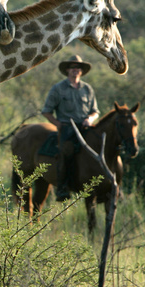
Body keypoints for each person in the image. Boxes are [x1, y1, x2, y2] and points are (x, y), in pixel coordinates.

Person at [42, 55, 99, 201]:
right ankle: (62, 188)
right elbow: (47, 111)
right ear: (67, 70)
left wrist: (90, 119)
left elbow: (95, 111)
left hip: (85, 127)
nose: (76, 70)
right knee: (65, 152)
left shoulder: (87, 89)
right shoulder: (58, 89)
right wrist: (58, 124)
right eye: (73, 67)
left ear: (81, 71)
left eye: (78, 67)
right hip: (67, 128)